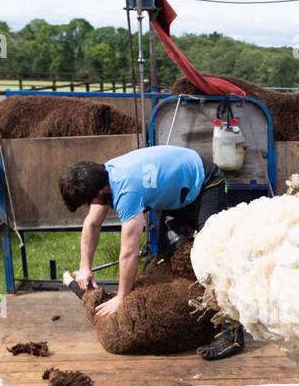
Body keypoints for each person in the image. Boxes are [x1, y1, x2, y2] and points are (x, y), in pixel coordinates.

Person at [59, 145, 244, 359]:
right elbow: (91, 225)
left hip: (205, 182)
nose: (89, 207)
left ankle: (233, 334)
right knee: (168, 258)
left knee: (212, 258)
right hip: (176, 194)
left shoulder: (126, 192)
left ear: (101, 192)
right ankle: (197, 310)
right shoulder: (103, 178)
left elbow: (129, 251)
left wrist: (121, 297)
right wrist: (84, 267)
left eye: (88, 202)